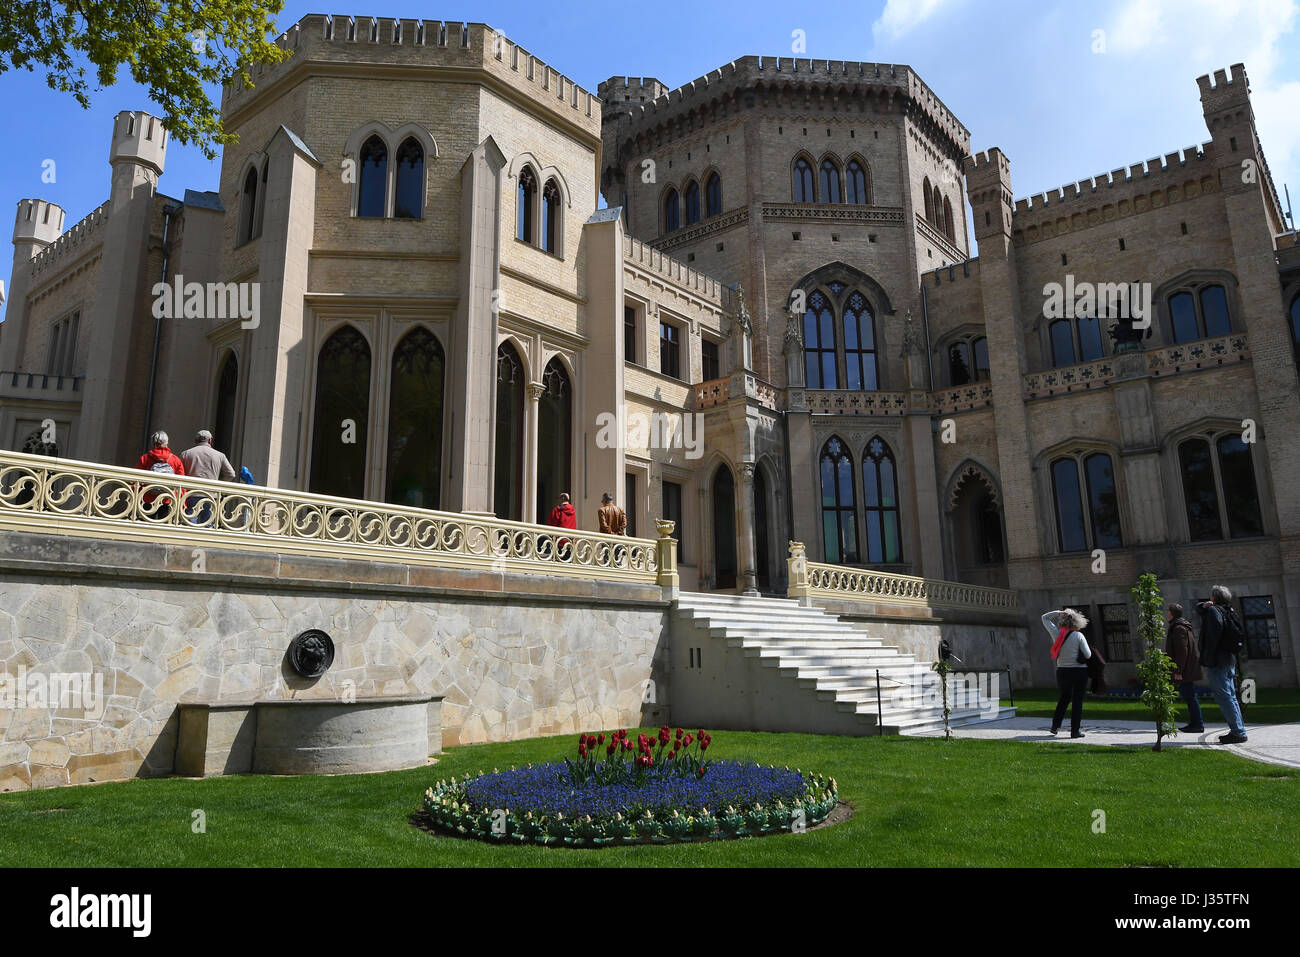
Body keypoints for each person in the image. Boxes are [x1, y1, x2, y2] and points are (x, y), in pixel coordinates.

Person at [1197, 586, 1249, 744]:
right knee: (1231, 696)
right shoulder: (1228, 610)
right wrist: (1204, 606)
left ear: (1213, 598)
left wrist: (1208, 657)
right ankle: (1239, 730)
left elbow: (1214, 635)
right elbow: (1200, 609)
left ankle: (1238, 732)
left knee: (1225, 697)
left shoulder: (1214, 612)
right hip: (1228, 659)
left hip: (1218, 661)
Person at [1042, 607, 1091, 738]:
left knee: (1064, 699)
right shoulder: (1079, 635)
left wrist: (1058, 612)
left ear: (1062, 620)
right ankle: (1075, 731)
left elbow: (1044, 617)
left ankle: (1055, 726)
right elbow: (1088, 654)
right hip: (1079, 671)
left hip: (1062, 671)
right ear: (1077, 621)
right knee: (1077, 701)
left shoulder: (1056, 633)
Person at [180, 429, 236, 525]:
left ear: (196, 440)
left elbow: (179, 473)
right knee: (208, 525)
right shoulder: (220, 455)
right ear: (210, 440)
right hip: (211, 495)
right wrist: (219, 483)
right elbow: (231, 474)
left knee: (189, 525)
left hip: (191, 494)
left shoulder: (186, 454)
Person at [1165, 603, 1204, 734]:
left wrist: (1178, 671)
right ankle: (1195, 723)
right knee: (1189, 696)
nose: (1167, 614)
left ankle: (1197, 724)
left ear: (1172, 613)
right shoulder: (1181, 627)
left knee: (1190, 696)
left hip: (1185, 670)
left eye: (1168, 612)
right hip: (1187, 668)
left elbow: (1182, 651)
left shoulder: (1178, 628)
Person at [135, 430, 185, 520]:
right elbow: (181, 481)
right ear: (167, 442)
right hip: (167, 498)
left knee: (146, 523)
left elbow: (136, 479)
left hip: (148, 497)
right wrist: (181, 501)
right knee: (163, 526)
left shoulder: (145, 458)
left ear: (153, 443)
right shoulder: (175, 460)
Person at [547, 492, 577, 560]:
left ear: (563, 499)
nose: (558, 500)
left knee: (559, 560)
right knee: (568, 560)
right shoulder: (572, 510)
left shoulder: (557, 510)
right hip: (570, 539)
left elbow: (552, 522)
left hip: (559, 540)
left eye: (559, 498)